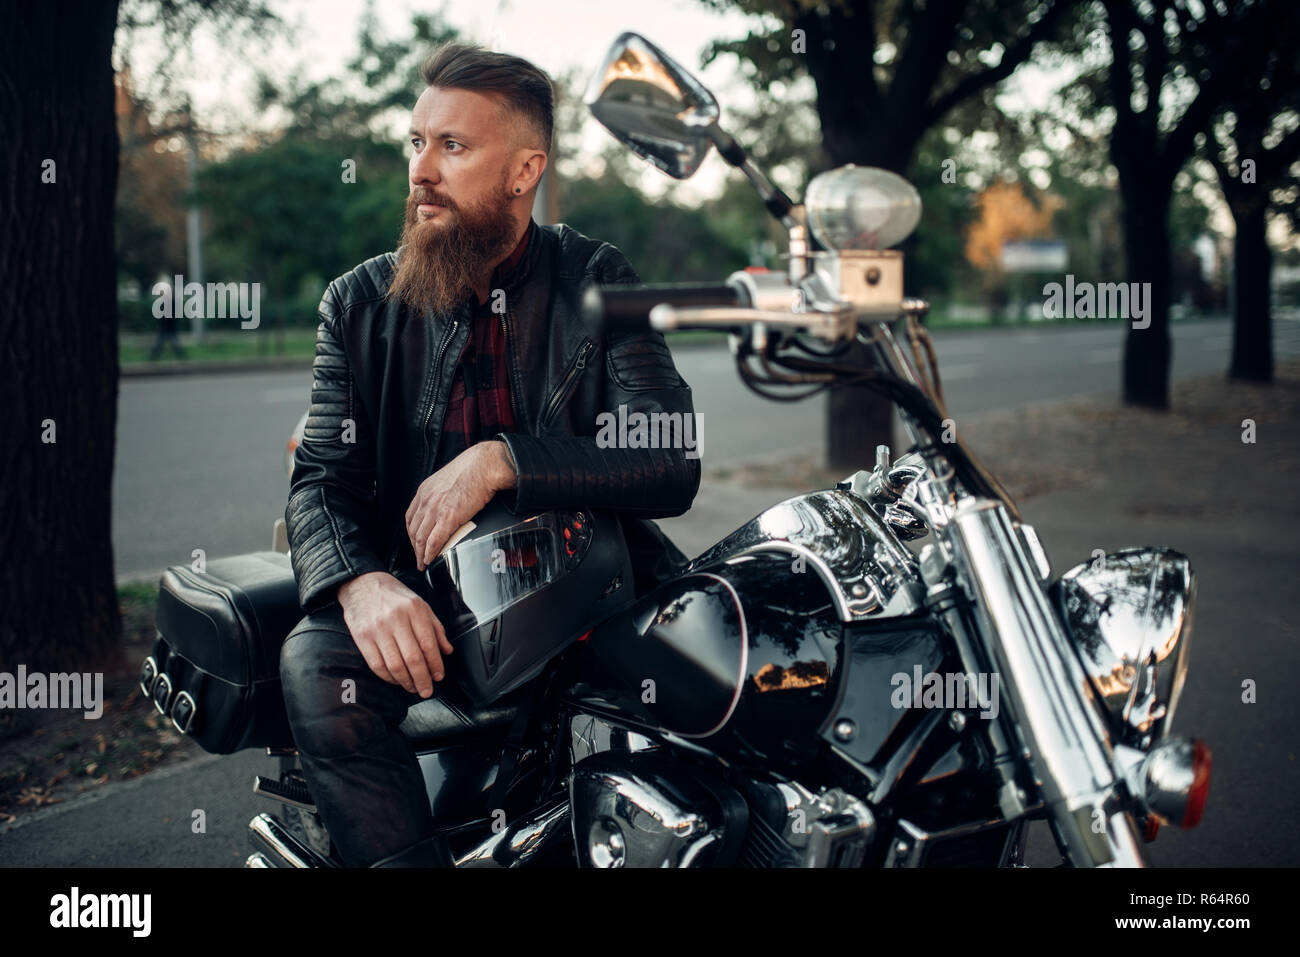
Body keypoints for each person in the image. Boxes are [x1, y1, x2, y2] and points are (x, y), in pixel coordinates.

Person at [278, 42, 701, 868]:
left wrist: (502, 460)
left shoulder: (596, 277)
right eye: (416, 142)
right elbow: (321, 479)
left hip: (589, 585)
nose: (421, 170)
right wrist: (359, 584)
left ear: (524, 170)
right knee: (317, 669)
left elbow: (669, 456)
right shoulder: (358, 303)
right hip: (431, 596)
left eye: (453, 146)